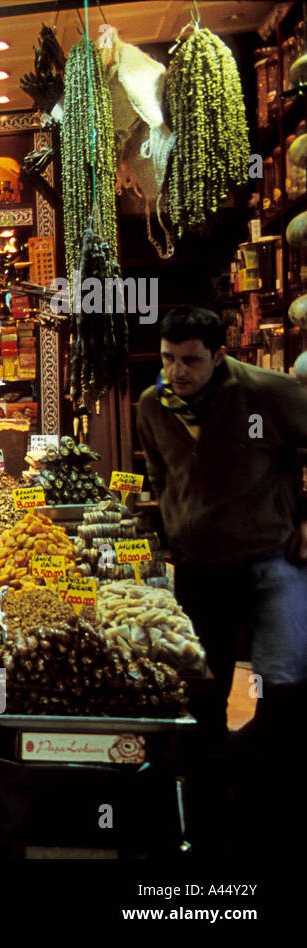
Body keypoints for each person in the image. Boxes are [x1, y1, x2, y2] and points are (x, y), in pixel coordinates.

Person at [135, 306, 307, 852]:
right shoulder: (151, 404)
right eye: (168, 358)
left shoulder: (267, 392)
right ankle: (209, 804)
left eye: (190, 360)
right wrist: (172, 528)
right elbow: (160, 474)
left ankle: (269, 801)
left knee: (285, 679)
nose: (177, 371)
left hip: (269, 558)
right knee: (201, 680)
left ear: (219, 355)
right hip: (199, 564)